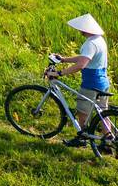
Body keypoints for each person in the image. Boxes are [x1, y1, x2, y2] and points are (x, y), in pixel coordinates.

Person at [46, 13, 110, 146]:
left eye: (81, 28)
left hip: (91, 84)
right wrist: (64, 59)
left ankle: (82, 139)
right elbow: (84, 57)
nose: (79, 30)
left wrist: (59, 73)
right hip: (103, 81)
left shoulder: (90, 44)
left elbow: (81, 64)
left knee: (83, 112)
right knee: (103, 113)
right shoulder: (99, 40)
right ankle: (109, 142)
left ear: (85, 29)